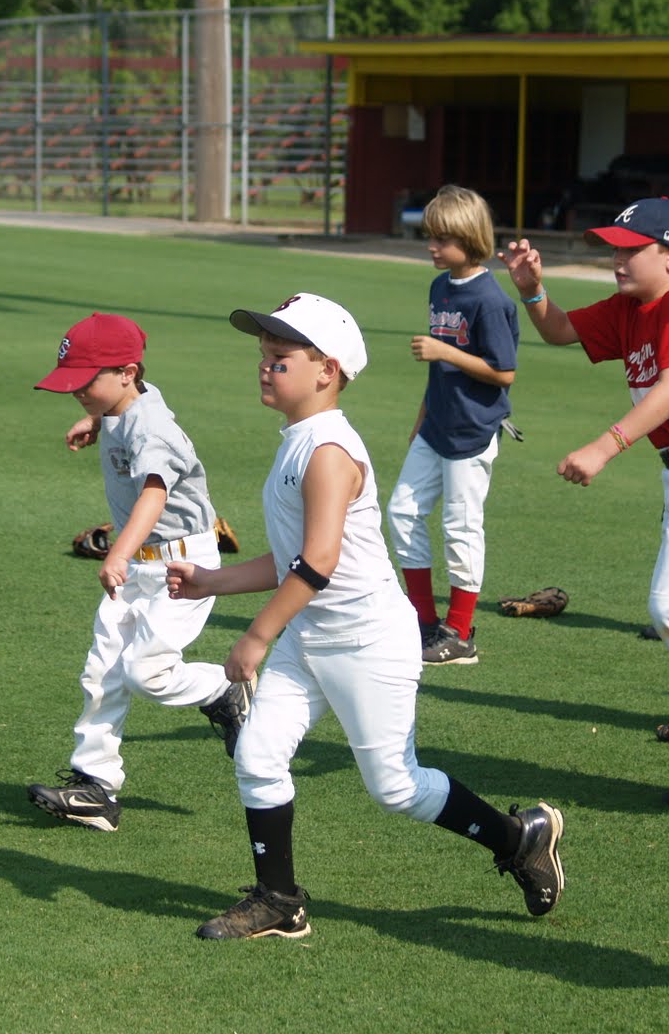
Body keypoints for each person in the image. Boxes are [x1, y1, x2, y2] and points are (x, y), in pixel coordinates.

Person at [167, 293, 563, 939]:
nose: (265, 367)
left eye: (280, 358)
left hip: (365, 643)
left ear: (327, 370)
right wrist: (213, 580)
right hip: (314, 635)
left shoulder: (327, 449)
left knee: (395, 788)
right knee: (260, 756)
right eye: (264, 356)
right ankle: (279, 900)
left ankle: (517, 838)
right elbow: (294, 558)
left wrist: (257, 635)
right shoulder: (301, 440)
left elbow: (316, 563)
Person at [500, 198, 669, 804]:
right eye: (613, 247)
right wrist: (534, 291)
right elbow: (560, 330)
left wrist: (604, 446)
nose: (616, 259)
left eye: (629, 249)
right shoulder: (632, 306)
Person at [26, 313, 253, 833]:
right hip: (141, 564)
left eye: (87, 382)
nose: (77, 392)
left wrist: (119, 552)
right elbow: (126, 416)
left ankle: (221, 690)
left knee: (146, 673)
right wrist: (97, 420)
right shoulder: (125, 405)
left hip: (180, 566)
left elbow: (156, 491)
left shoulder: (152, 427)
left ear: (127, 372)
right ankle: (95, 787)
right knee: (101, 672)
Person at [387, 185, 519, 666]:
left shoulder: (489, 298)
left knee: (461, 527)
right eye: (430, 236)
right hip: (436, 425)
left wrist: (446, 351)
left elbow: (504, 372)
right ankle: (423, 623)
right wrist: (421, 416)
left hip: (472, 430)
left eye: (442, 239)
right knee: (402, 512)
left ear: (469, 238)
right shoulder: (440, 287)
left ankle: (459, 632)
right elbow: (438, 372)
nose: (432, 246)